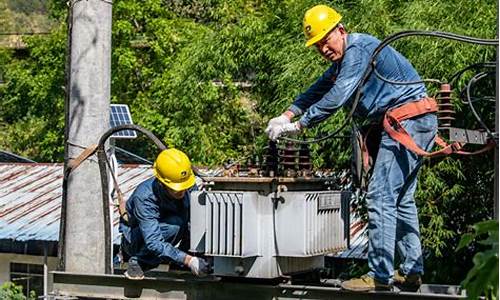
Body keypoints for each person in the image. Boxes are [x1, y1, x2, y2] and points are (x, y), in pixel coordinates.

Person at [265, 4, 437, 292]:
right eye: (317, 45)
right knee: (402, 198)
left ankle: (379, 276)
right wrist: (286, 115)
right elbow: (317, 90)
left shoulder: (358, 50)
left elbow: (337, 96)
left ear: (340, 30)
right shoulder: (343, 62)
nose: (323, 49)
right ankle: (410, 271)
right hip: (415, 121)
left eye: (325, 40)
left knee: (380, 196)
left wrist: (299, 125)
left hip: (407, 121)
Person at [119, 148, 210, 280]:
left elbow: (196, 220)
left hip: (168, 235)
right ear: (162, 183)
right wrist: (189, 260)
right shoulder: (144, 197)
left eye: (184, 186)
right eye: (176, 189)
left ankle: (180, 264)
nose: (182, 191)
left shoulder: (186, 183)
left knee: (192, 219)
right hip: (138, 240)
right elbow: (153, 242)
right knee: (174, 225)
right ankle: (139, 262)